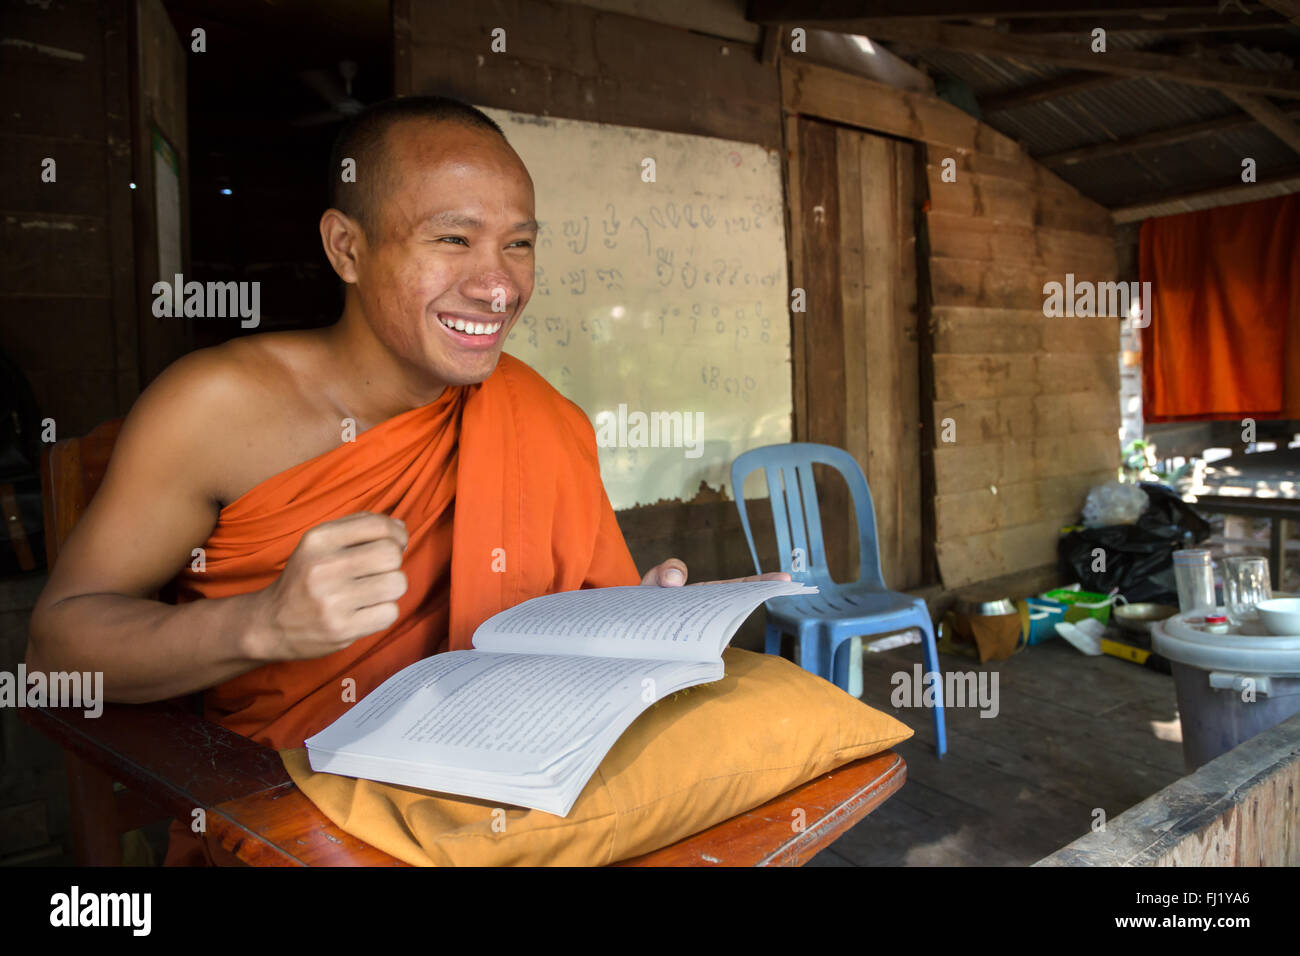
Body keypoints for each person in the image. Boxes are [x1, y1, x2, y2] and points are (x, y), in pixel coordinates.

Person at [26, 96, 787, 865]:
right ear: (345, 249)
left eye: (518, 244)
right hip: (302, 816)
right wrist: (262, 623)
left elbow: (553, 629)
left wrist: (628, 630)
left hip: (518, 800)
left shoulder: (541, 418)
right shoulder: (217, 410)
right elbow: (57, 652)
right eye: (453, 239)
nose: (498, 287)